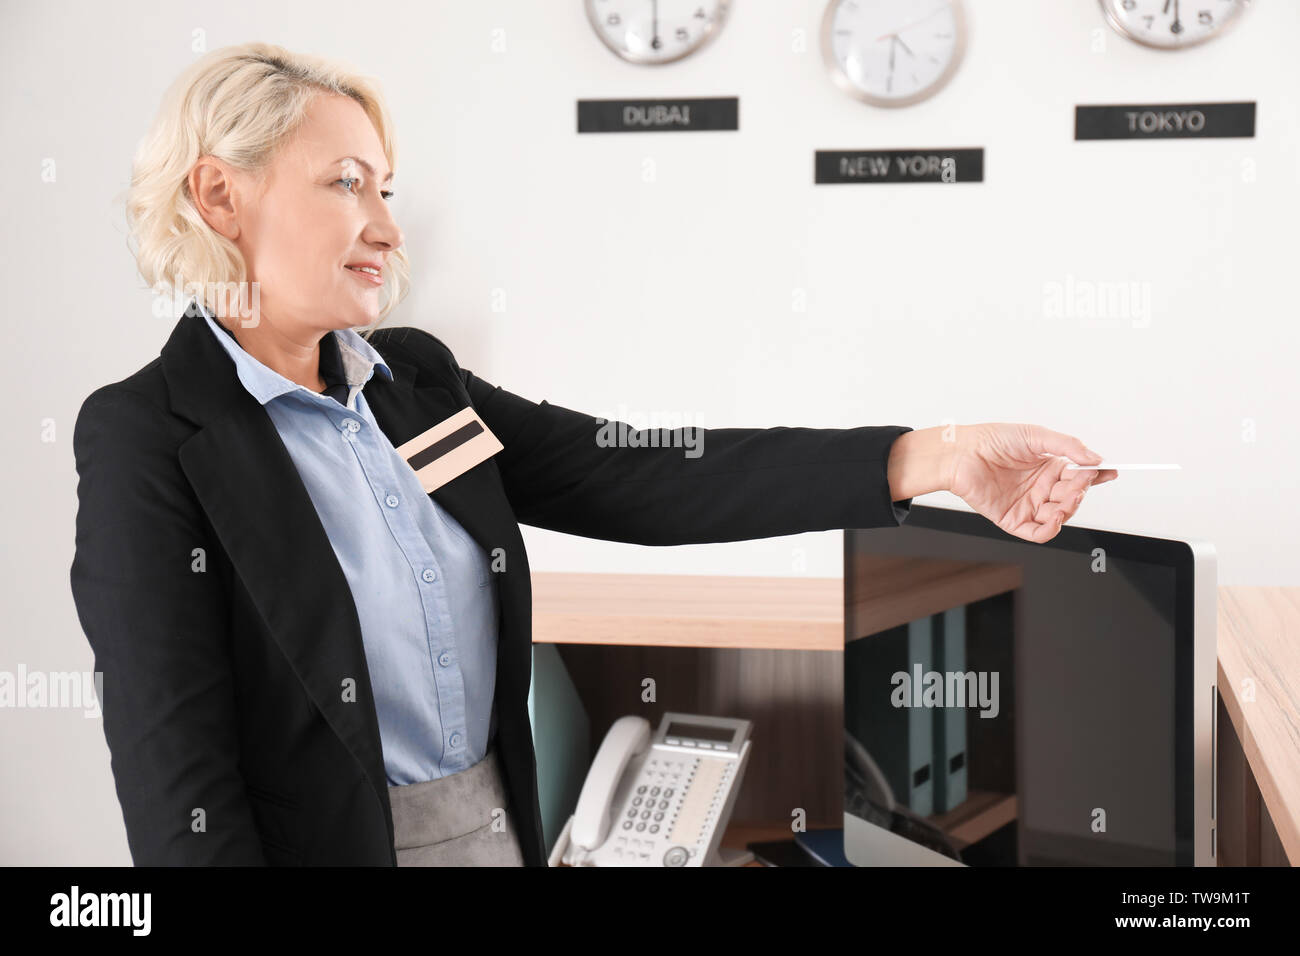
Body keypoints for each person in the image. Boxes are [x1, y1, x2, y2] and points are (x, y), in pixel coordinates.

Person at [69, 42, 1116, 867]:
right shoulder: (149, 437)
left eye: (386, 189)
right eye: (347, 184)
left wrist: (933, 456)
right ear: (218, 198)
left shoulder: (412, 381)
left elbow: (642, 471)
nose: (386, 225)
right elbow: (179, 781)